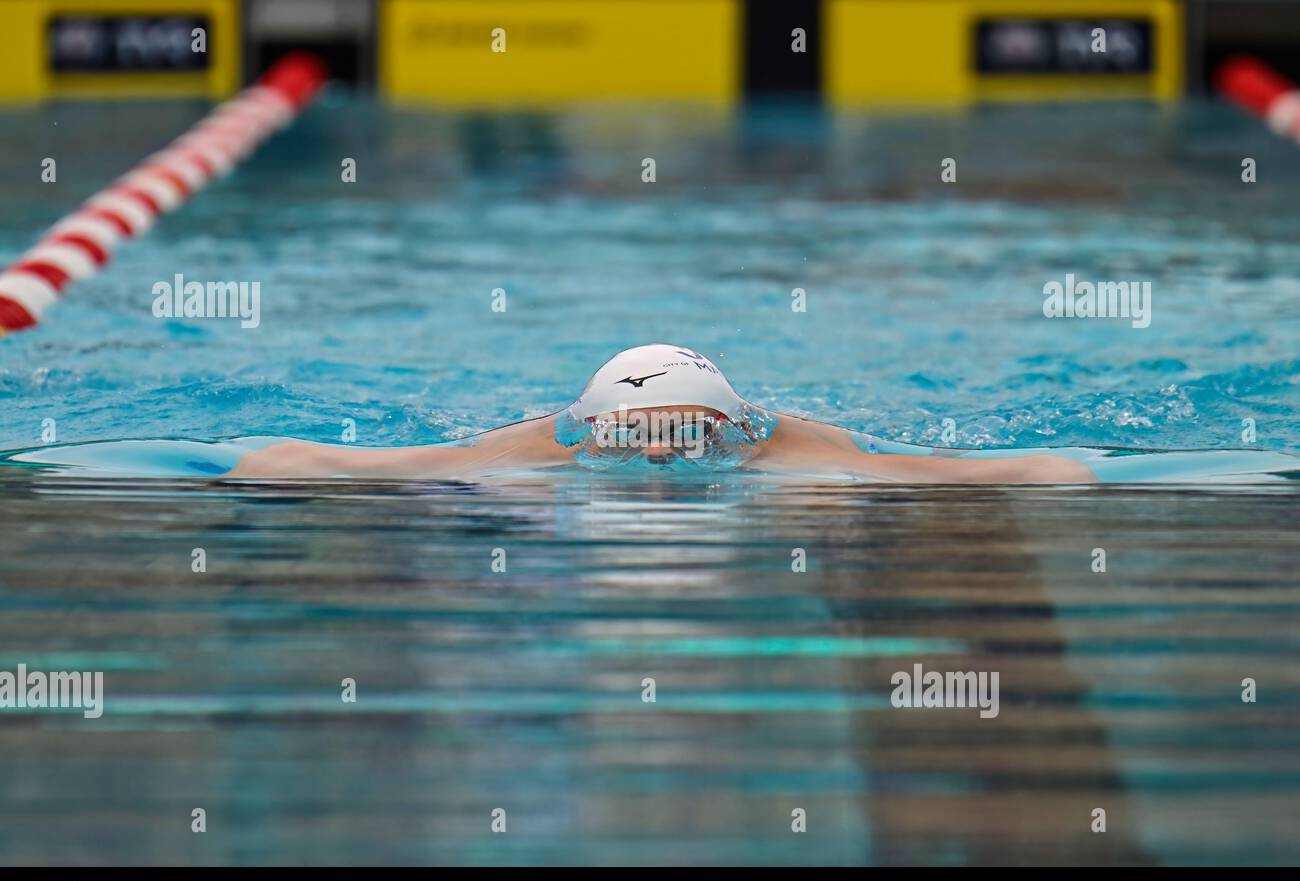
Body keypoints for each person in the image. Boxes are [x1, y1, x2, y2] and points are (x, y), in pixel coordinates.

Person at [225, 344, 1097, 483]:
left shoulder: (799, 459)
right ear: (588, 430)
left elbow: (1043, 470)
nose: (657, 462)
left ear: (730, 428)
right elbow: (284, 460)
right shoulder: (530, 453)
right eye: (630, 436)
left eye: (685, 435)